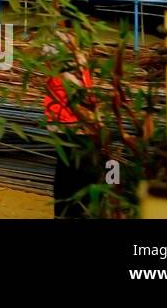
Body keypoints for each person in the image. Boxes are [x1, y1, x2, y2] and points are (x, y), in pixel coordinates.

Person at [43, 26, 96, 218]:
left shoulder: (71, 48)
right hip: (70, 123)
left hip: (67, 121)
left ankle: (66, 213)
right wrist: (93, 121)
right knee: (77, 175)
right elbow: (74, 92)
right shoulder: (62, 51)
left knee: (68, 174)